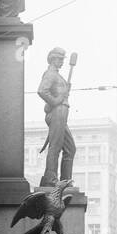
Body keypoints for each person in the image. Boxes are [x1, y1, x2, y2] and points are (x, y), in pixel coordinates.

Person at [37, 47, 77, 185]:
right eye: (60, 59)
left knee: (70, 148)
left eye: (62, 59)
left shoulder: (58, 76)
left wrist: (65, 90)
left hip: (62, 113)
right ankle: (51, 178)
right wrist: (57, 100)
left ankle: (65, 180)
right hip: (57, 112)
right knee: (56, 145)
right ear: (53, 59)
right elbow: (42, 90)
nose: (62, 62)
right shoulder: (50, 74)